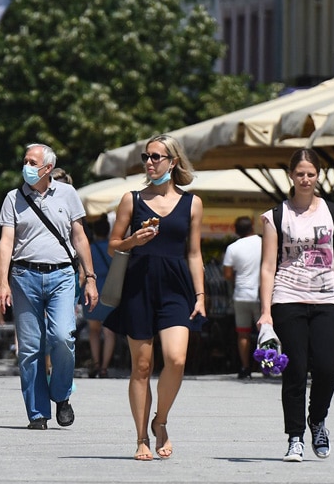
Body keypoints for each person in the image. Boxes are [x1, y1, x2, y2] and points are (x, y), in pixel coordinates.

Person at [105, 134, 207, 461]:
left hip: (177, 286)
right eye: (146, 157)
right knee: (142, 366)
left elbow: (194, 253)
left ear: (173, 162)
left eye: (156, 157)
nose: (149, 162)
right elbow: (113, 244)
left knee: (176, 359)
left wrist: (201, 295)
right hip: (139, 285)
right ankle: (141, 439)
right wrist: (134, 239)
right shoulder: (131, 199)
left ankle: (160, 420)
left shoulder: (193, 203)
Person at [256, 148, 334, 462]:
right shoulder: (276, 216)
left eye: (310, 174)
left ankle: (318, 420)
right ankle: (295, 438)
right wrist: (265, 313)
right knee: (296, 371)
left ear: (318, 175)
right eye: (299, 173)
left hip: (326, 298)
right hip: (287, 297)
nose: (305, 179)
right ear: (291, 175)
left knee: (327, 369)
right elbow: (267, 266)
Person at [0, 143, 98, 430]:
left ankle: (62, 394)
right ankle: (37, 413)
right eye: (25, 160)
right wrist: (2, 281)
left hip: (62, 276)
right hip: (24, 276)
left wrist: (90, 277)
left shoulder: (67, 194)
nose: (26, 165)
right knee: (30, 348)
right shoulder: (13, 198)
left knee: (63, 335)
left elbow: (79, 237)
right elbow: (6, 242)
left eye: (32, 162)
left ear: (48, 168)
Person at [223, 216, 262, 380]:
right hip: (261, 294)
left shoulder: (232, 248)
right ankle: (269, 365)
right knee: (264, 332)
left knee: (243, 334)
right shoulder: (263, 243)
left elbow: (227, 274)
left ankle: (245, 367)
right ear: (252, 227)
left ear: (236, 230)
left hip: (241, 294)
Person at [85, 215, 116, 378]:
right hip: (111, 290)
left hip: (92, 288)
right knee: (109, 331)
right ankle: (104, 367)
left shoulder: (89, 248)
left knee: (93, 330)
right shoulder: (113, 248)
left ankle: (96, 364)